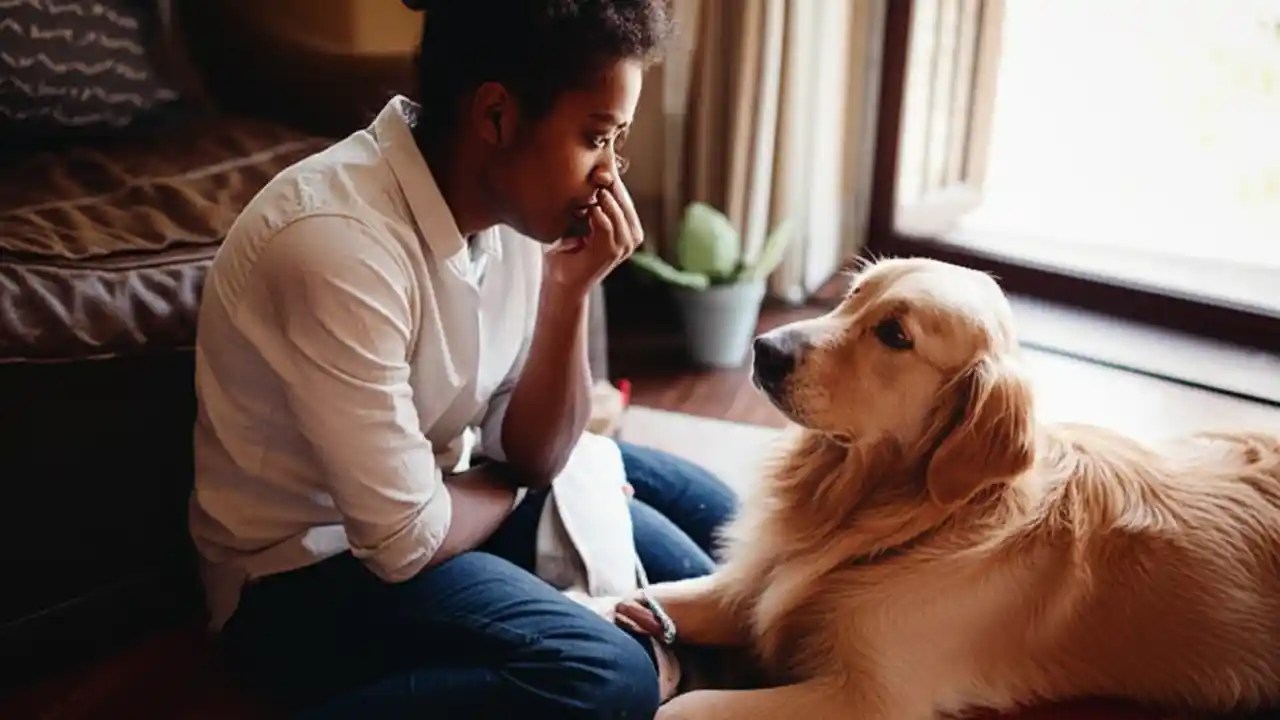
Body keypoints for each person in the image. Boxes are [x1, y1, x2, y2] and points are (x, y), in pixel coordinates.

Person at [186, 0, 738, 717]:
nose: (609, 175)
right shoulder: (335, 247)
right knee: (610, 672)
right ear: (498, 117)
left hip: (450, 494)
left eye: (618, 142)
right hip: (305, 579)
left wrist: (569, 294)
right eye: (596, 137)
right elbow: (406, 541)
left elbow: (532, 452)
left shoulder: (513, 210)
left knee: (727, 559)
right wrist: (513, 480)